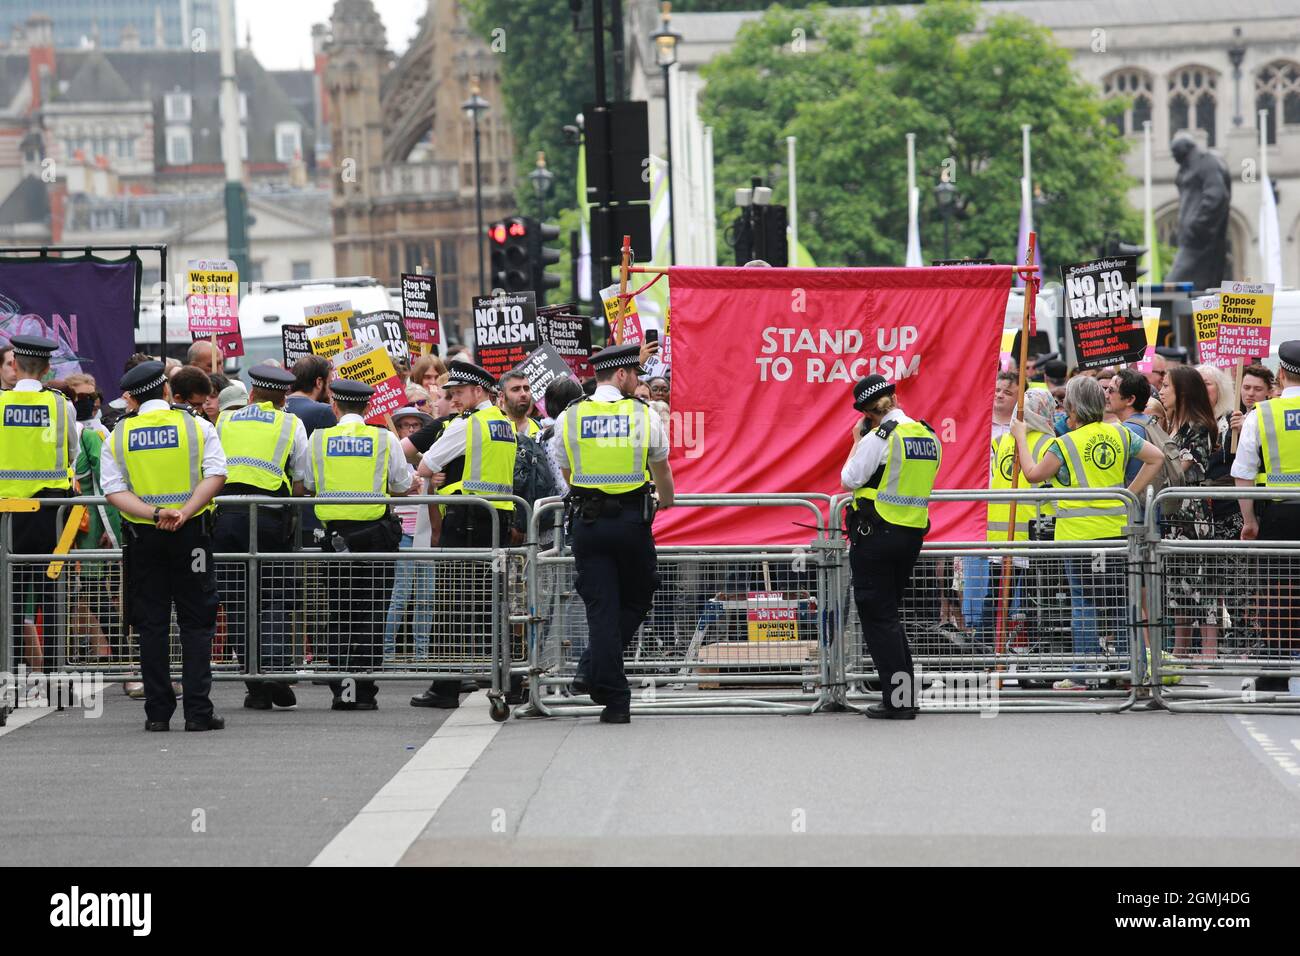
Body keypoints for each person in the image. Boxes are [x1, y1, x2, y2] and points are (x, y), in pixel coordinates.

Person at [1011, 375, 1164, 689]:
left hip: (1078, 535)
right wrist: (1129, 493)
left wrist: (1020, 438)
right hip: (1117, 533)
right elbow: (1157, 458)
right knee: (1124, 601)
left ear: (1071, 406)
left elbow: (1031, 474)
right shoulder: (1120, 433)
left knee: (1084, 603)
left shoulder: (1064, 443)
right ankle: (1129, 669)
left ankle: (1083, 672)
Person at [102, 361, 228, 731]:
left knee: (152, 625)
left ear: (132, 397)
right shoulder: (197, 425)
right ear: (165, 390)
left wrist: (156, 512)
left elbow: (113, 491)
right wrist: (185, 512)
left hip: (145, 538)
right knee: (196, 623)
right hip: (192, 537)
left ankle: (158, 714)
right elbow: (217, 474)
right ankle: (198, 712)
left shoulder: (119, 435)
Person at [552, 343, 673, 723]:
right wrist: (666, 501)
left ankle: (609, 692)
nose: (637, 380)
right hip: (631, 524)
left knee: (601, 609)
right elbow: (661, 467)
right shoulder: (642, 413)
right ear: (620, 375)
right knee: (639, 596)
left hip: (587, 523)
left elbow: (567, 471)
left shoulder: (570, 416)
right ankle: (597, 676)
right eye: (634, 374)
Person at [409, 361, 518, 709]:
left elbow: (426, 466)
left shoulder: (468, 426)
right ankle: (512, 681)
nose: (453, 399)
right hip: (496, 521)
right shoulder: (503, 424)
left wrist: (438, 475)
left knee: (450, 608)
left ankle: (444, 688)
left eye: (458, 393)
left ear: (478, 391)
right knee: (495, 605)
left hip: (466, 523)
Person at [305, 378, 417, 711]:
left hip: (335, 539)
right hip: (376, 538)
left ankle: (343, 691)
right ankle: (365, 690)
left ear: (334, 406)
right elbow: (400, 483)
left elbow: (309, 483)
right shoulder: (384, 438)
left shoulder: (319, 439)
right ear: (367, 407)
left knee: (340, 611)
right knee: (372, 610)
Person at [841, 374, 940, 718]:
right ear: (895, 398)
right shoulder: (926, 434)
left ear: (867, 413)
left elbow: (850, 478)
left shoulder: (880, 437)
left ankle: (899, 702)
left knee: (878, 617)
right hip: (911, 534)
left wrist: (857, 440)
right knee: (889, 617)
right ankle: (904, 695)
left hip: (876, 535)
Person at [212, 363, 309, 710]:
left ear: (251, 393)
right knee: (274, 599)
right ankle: (277, 674)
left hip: (225, 517)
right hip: (269, 517)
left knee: (238, 602)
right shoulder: (290, 423)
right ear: (284, 398)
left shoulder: (224, 420)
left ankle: (254, 684)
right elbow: (301, 479)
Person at [0, 336, 80, 678]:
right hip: (52, 513)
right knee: (52, 594)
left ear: (14, 366)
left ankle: (12, 672)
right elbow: (72, 452)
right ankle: (53, 676)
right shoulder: (63, 406)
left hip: (7, 514)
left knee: (10, 597)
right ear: (48, 369)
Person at [1232, 340, 1300, 693]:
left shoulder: (1263, 414)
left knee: (1277, 591)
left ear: (1280, 374)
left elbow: (1243, 471)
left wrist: (1250, 520)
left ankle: (1275, 671)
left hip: (1280, 514)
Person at [1157, 365, 1220, 657]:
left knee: (1202, 583)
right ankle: (1180, 650)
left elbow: (1182, 467)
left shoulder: (1197, 426)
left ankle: (1208, 651)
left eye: (1166, 386)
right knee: (1177, 585)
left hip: (1193, 514)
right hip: (1172, 513)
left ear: (1182, 391)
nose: (1161, 390)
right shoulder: (1171, 426)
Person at [383, 406, 436, 661]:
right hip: (403, 530)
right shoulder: (393, 458)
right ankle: (388, 652)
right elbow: (385, 489)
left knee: (426, 596)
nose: (412, 429)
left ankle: (422, 654)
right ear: (399, 429)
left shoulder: (431, 457)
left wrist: (433, 484)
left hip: (426, 531)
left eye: (416, 426)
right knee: (400, 594)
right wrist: (406, 488)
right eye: (406, 425)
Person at [285, 355, 338, 436]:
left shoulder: (277, 406)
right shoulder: (324, 412)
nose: (330, 389)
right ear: (319, 382)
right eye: (329, 383)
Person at [498, 370, 540, 438]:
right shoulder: (493, 430)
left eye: (526, 389)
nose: (523, 394)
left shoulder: (540, 429)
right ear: (502, 396)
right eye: (516, 389)